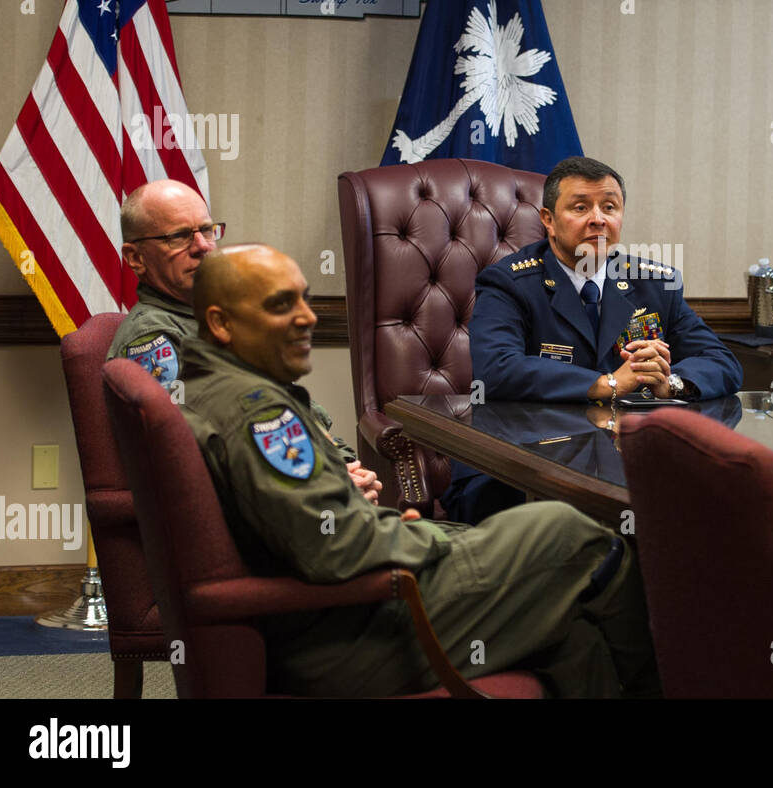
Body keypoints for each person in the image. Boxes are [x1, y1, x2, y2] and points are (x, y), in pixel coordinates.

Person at [178, 244, 659, 698]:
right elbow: (334, 547)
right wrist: (431, 540)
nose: (308, 317)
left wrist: (396, 528)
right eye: (282, 305)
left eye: (305, 298)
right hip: (349, 632)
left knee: (574, 633)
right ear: (220, 323)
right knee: (568, 532)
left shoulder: (216, 386)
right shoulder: (254, 412)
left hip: (339, 609)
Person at [108, 180, 379, 503]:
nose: (203, 246)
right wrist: (327, 480)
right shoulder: (153, 339)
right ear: (136, 258)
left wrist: (348, 466)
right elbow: (195, 453)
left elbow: (295, 414)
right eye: (179, 237)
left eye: (207, 231)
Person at [470, 156, 742, 405]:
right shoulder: (509, 283)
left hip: (630, 445)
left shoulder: (655, 284)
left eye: (609, 207)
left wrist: (670, 383)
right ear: (548, 220)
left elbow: (723, 363)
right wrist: (607, 384)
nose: (598, 219)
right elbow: (495, 370)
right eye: (580, 207)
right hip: (538, 442)